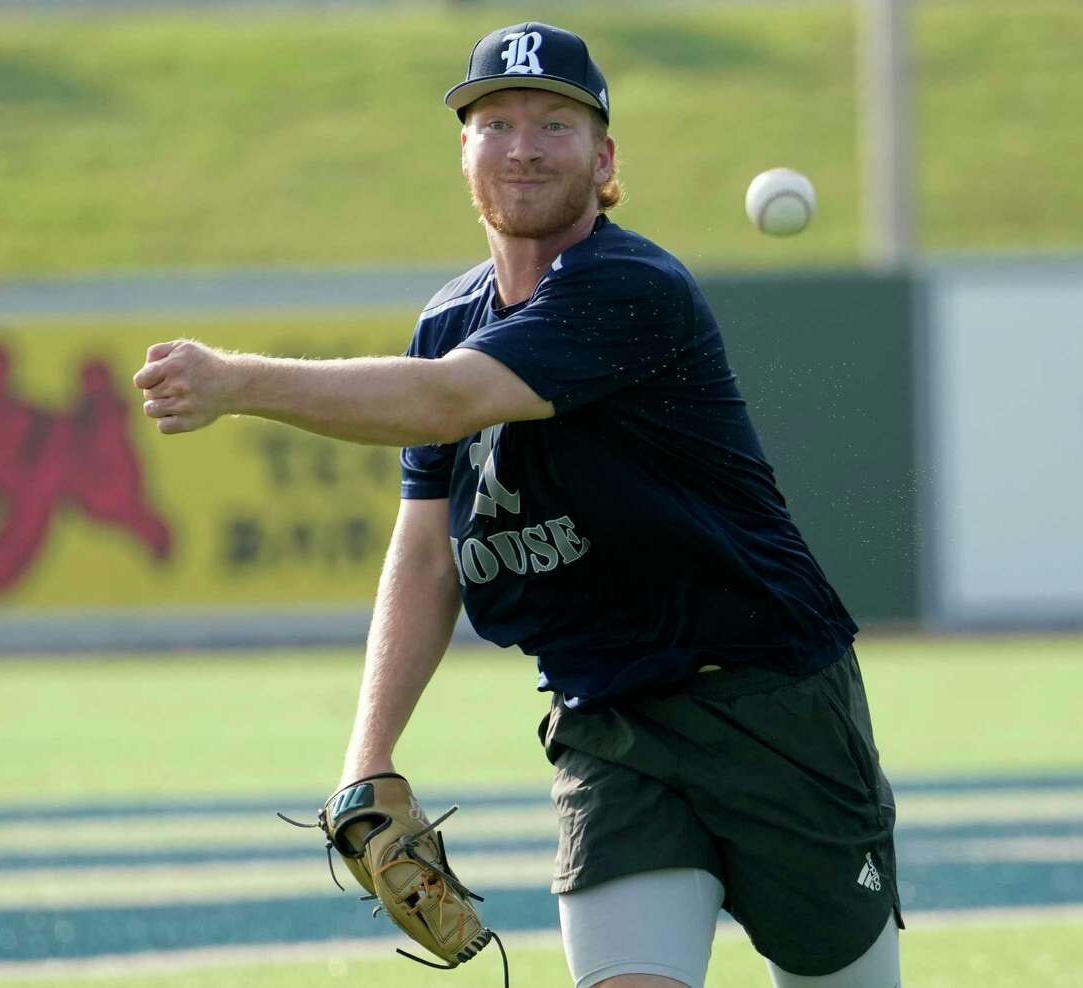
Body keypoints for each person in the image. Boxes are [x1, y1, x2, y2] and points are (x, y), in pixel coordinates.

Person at [132, 21, 903, 988]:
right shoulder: (448, 318)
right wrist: (366, 759)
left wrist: (237, 382)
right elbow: (426, 553)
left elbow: (448, 397)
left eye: (555, 123)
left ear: (605, 156)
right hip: (610, 728)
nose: (524, 146)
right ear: (464, 151)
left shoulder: (633, 285)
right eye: (495, 122)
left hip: (773, 707)